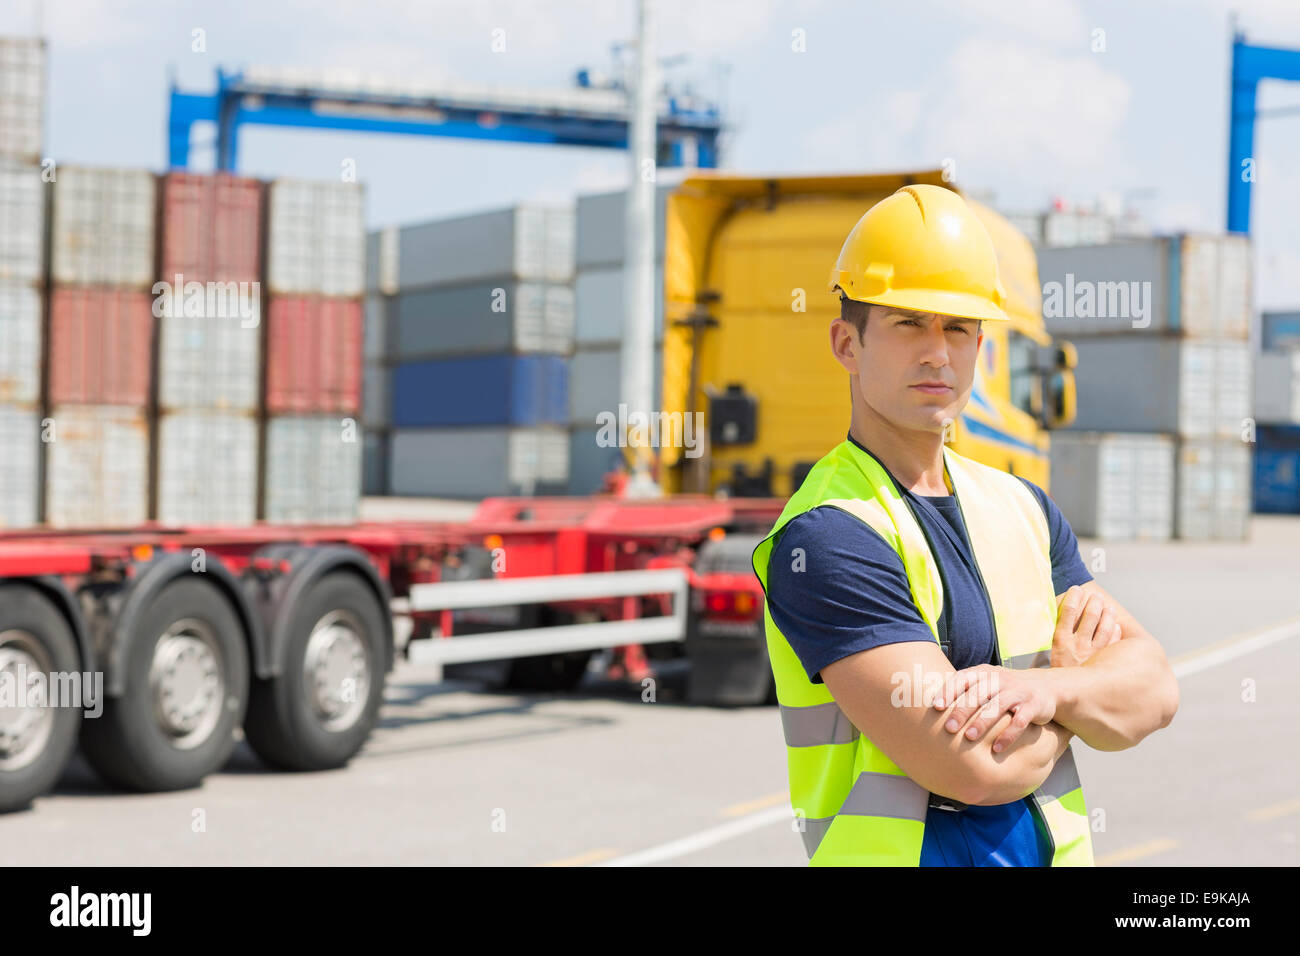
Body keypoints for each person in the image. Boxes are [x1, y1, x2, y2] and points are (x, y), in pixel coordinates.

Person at [750, 184, 1179, 866]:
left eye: (958, 328)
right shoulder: (830, 536)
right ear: (846, 343)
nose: (937, 353)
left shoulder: (1025, 509)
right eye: (908, 323)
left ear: (982, 343)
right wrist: (1086, 701)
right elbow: (972, 767)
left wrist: (1046, 688)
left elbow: (1154, 691)